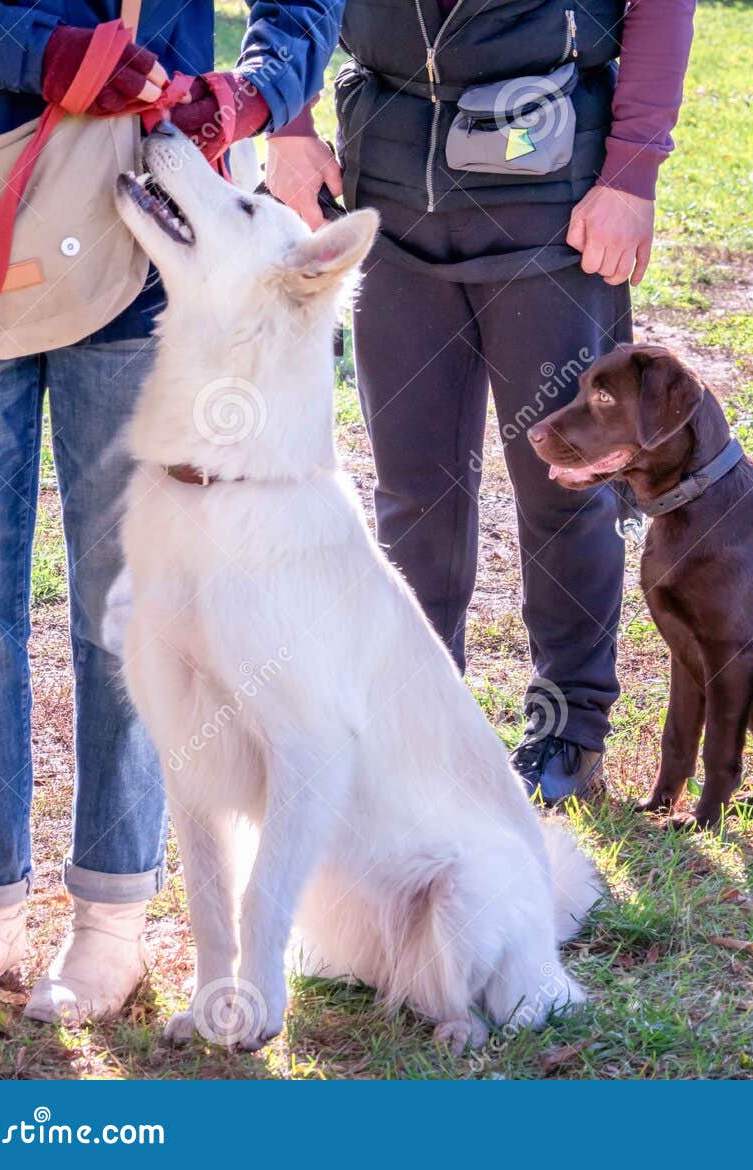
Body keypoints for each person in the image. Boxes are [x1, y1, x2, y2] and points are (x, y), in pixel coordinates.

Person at [0, 0, 340, 1025]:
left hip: (143, 238)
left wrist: (258, 87)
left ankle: (112, 926)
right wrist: (35, 54)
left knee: (122, 617)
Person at [265, 0, 696, 804]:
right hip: (385, 185)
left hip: (553, 197)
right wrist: (287, 122)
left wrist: (632, 172)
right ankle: (417, 722)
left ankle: (569, 729)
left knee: (564, 485)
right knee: (413, 491)